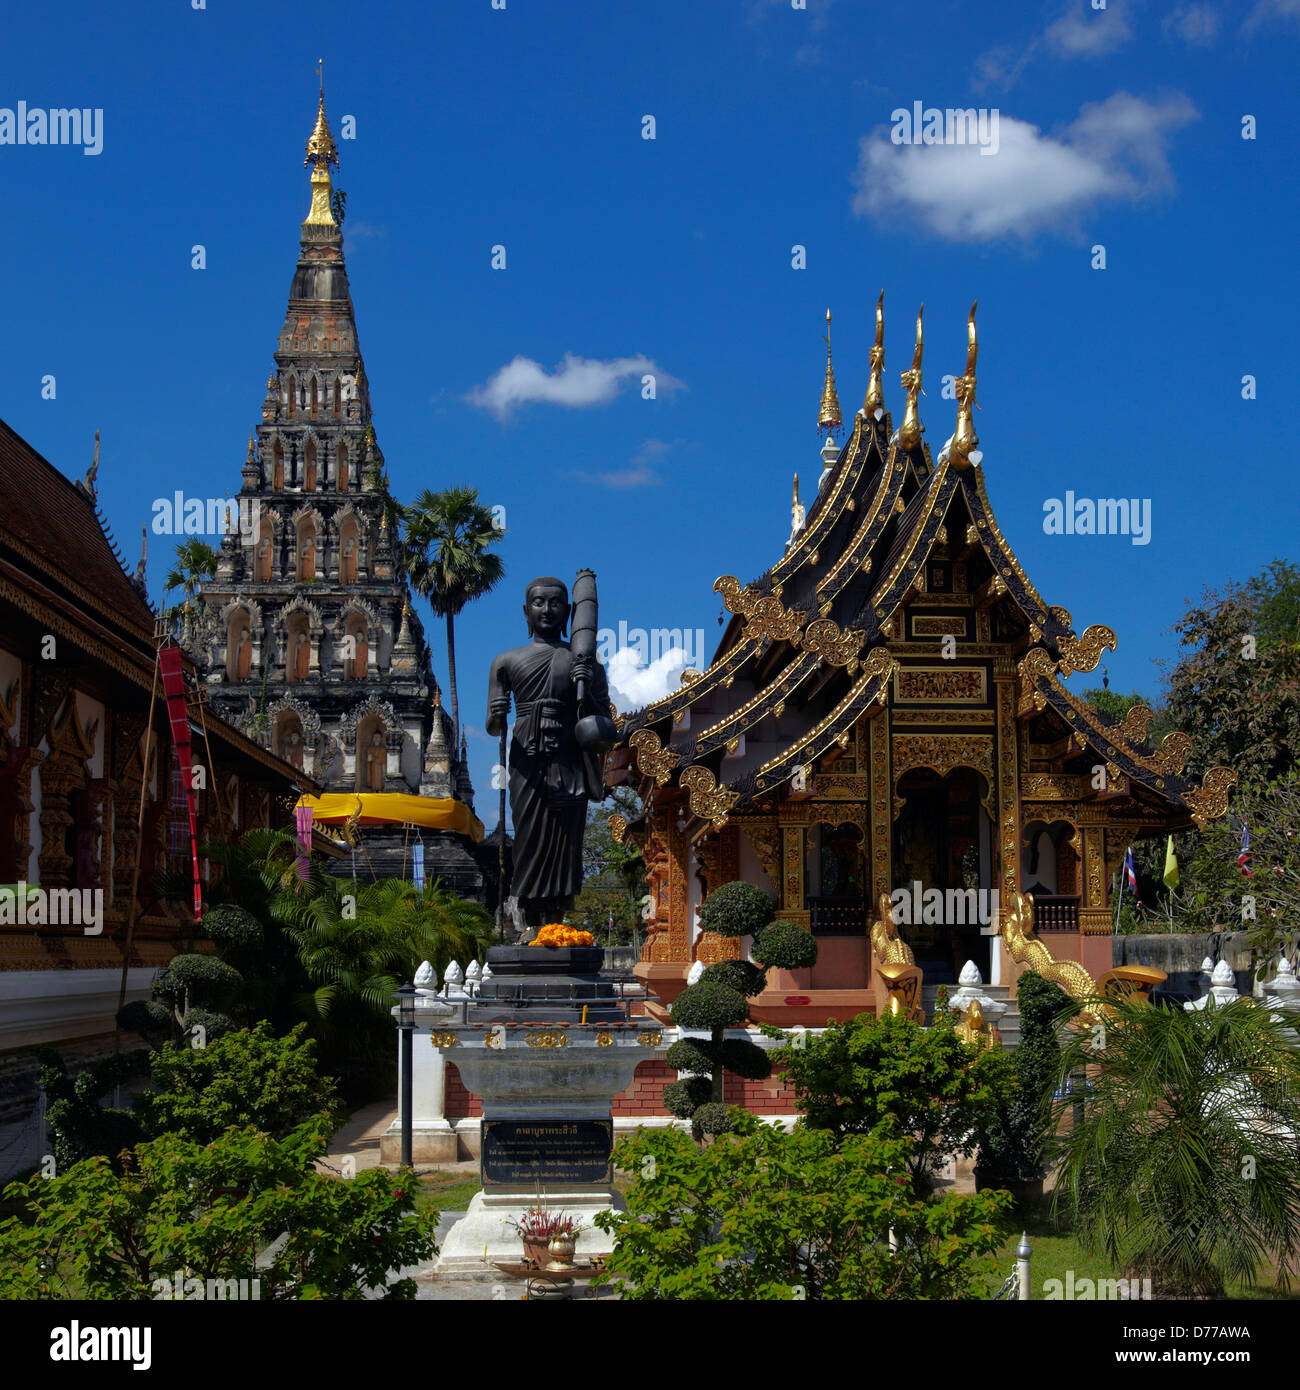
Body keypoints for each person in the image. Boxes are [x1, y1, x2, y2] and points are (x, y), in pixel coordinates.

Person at [486, 577, 609, 927]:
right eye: (539, 603)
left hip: (568, 757)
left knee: (565, 838)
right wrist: (497, 714)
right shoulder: (505, 662)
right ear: (526, 611)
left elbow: (605, 722)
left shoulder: (582, 662)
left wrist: (585, 688)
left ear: (569, 612)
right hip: (526, 756)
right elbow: (493, 726)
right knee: (527, 835)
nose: (547, 610)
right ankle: (529, 914)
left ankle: (557, 915)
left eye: (556, 603)